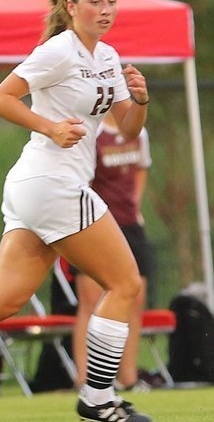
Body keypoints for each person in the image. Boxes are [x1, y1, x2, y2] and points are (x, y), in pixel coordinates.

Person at [0, 0, 152, 421]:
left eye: (112, 1)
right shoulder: (58, 50)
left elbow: (130, 132)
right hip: (51, 182)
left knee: (1, 302)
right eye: (95, 1)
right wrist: (50, 126)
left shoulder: (109, 57)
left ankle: (98, 398)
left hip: (38, 187)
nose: (105, 10)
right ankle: (97, 399)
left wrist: (139, 99)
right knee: (126, 284)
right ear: (71, 6)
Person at [72, 113, 154, 392]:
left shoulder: (138, 133)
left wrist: (135, 202)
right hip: (94, 224)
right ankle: (84, 377)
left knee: (136, 296)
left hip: (130, 224)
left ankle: (128, 378)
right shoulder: (91, 132)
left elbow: (142, 166)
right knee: (91, 299)